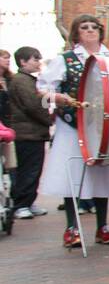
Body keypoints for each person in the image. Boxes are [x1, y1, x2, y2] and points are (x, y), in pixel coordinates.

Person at [37, 15, 109, 248]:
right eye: (83, 27)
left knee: (103, 174)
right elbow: (43, 94)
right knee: (72, 175)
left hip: (104, 126)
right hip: (72, 126)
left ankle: (102, 227)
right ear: (76, 33)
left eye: (94, 27)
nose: (89, 31)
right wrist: (58, 99)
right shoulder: (64, 60)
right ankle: (71, 227)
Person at [7, 47, 53, 219]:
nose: (38, 63)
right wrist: (48, 118)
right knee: (28, 170)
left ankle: (27, 202)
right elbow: (33, 105)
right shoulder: (22, 81)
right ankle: (21, 204)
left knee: (33, 169)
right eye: (35, 59)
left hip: (32, 132)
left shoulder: (27, 80)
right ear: (23, 62)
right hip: (27, 133)